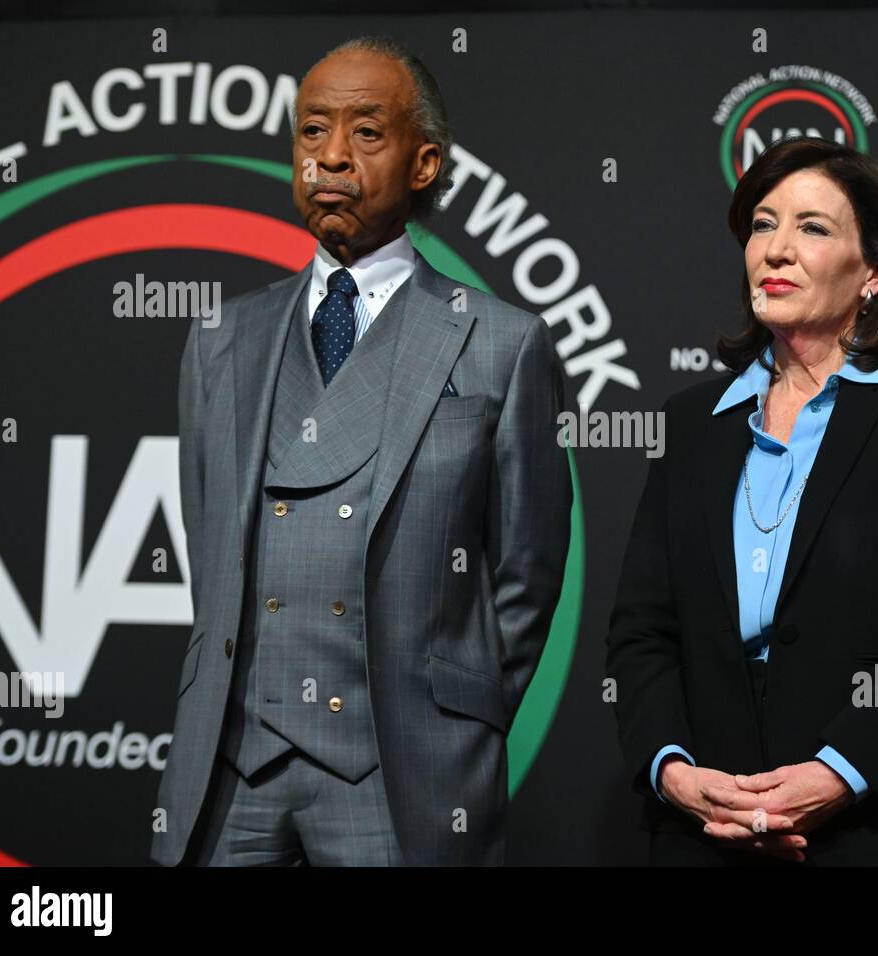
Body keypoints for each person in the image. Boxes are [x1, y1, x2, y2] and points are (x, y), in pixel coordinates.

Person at [151, 36, 571, 866]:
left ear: (424, 164)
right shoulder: (221, 339)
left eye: (366, 133)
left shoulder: (500, 343)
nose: (331, 157)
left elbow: (527, 575)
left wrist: (450, 722)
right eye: (311, 132)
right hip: (232, 769)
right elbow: (211, 554)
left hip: (401, 777)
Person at [605, 136, 878, 866]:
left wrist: (841, 770)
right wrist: (675, 772)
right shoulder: (691, 422)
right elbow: (642, 628)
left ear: (875, 274)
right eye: (763, 225)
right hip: (705, 826)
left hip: (877, 819)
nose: (776, 249)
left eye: (812, 228)